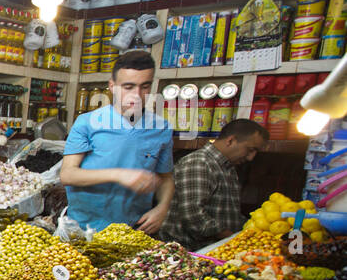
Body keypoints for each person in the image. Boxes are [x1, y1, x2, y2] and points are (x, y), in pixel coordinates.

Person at [59, 49, 175, 234]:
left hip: (134, 230)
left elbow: (165, 178)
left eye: (144, 86)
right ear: (112, 86)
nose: (137, 95)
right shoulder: (87, 123)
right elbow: (68, 175)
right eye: (128, 87)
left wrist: (162, 209)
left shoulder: (161, 129)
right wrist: (120, 175)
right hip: (84, 229)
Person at [159, 119, 268, 250]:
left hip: (216, 249)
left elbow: (228, 213)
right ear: (230, 140)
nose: (251, 157)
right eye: (250, 150)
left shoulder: (227, 167)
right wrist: (234, 239)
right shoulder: (200, 163)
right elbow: (194, 217)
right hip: (191, 252)